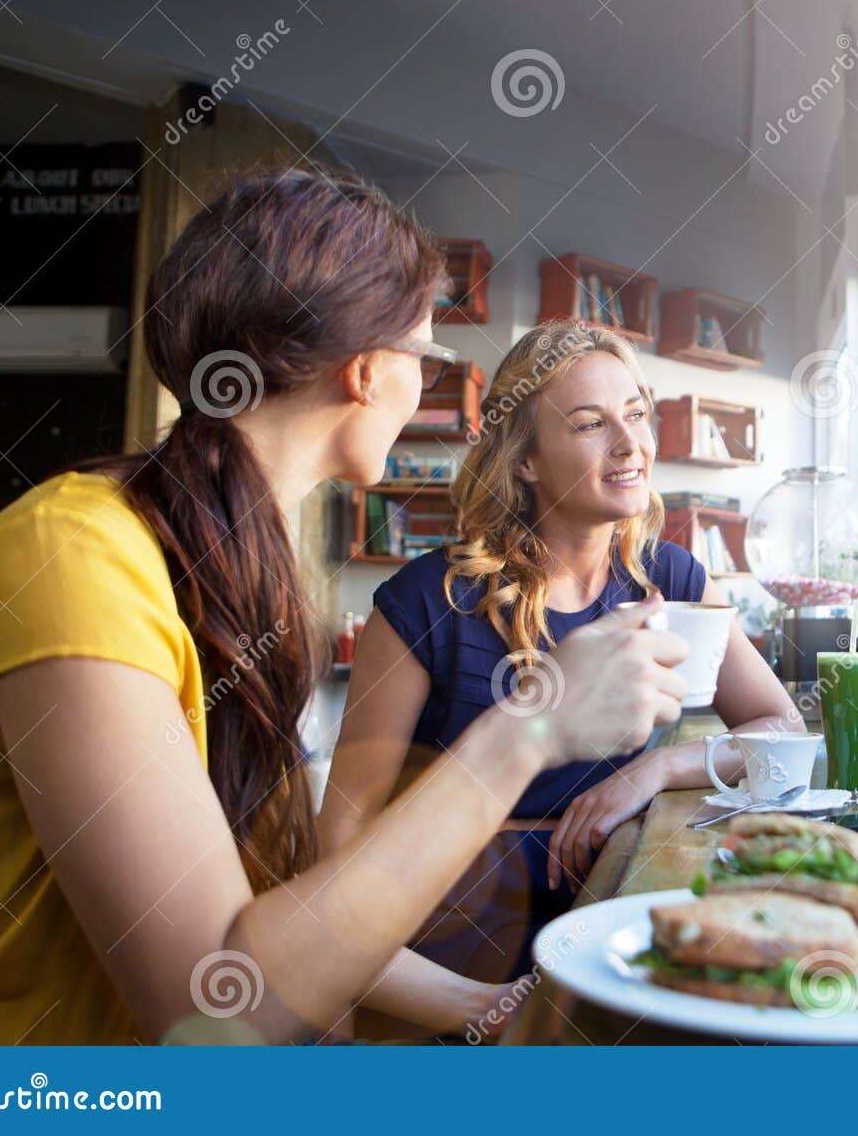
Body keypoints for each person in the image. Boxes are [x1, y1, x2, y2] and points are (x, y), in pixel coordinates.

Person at [0, 169, 689, 1045]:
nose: (424, 381)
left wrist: (488, 1013)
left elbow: (280, 913)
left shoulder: (227, 569)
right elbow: (214, 1005)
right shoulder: (75, 556)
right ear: (368, 371)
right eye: (426, 354)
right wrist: (535, 724)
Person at [318, 321, 800, 990]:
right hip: (454, 946)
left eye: (636, 414)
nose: (631, 445)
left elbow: (783, 733)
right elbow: (337, 858)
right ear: (526, 459)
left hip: (614, 919)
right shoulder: (421, 606)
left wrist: (654, 769)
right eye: (589, 424)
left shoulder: (677, 580)